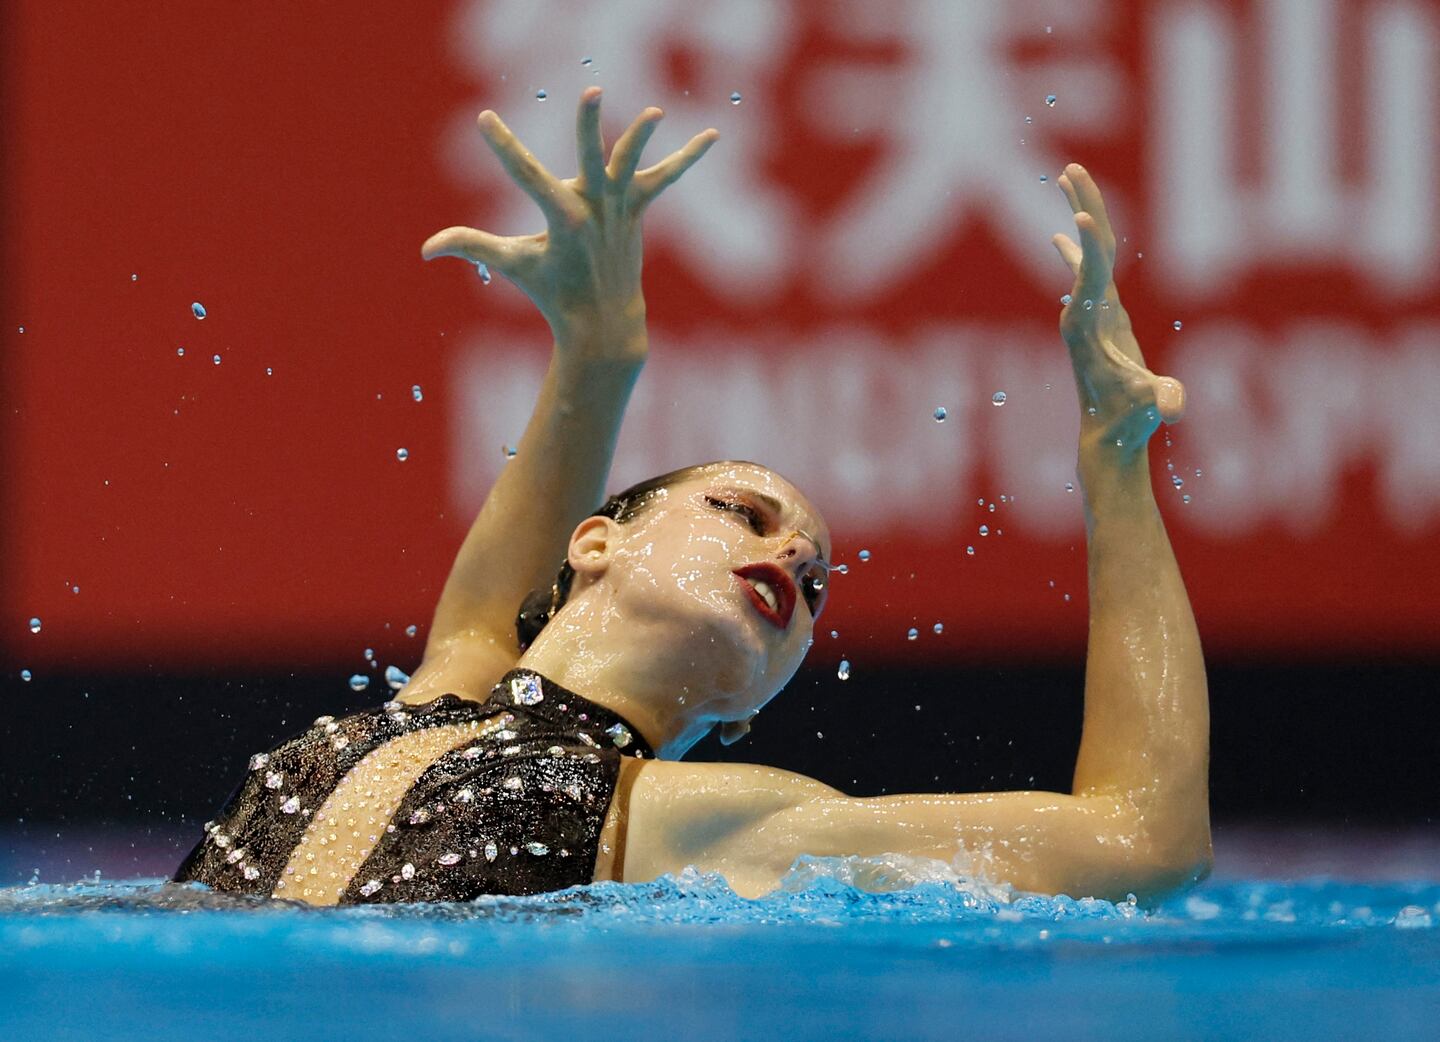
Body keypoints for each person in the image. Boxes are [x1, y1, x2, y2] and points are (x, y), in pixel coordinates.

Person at [175, 86, 1211, 906]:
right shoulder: (434, 699)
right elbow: (492, 622)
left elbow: (1144, 838)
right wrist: (599, 349)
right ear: (594, 545)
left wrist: (1114, 464)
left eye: (817, 583)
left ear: (754, 705)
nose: (792, 560)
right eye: (743, 514)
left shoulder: (705, 820)